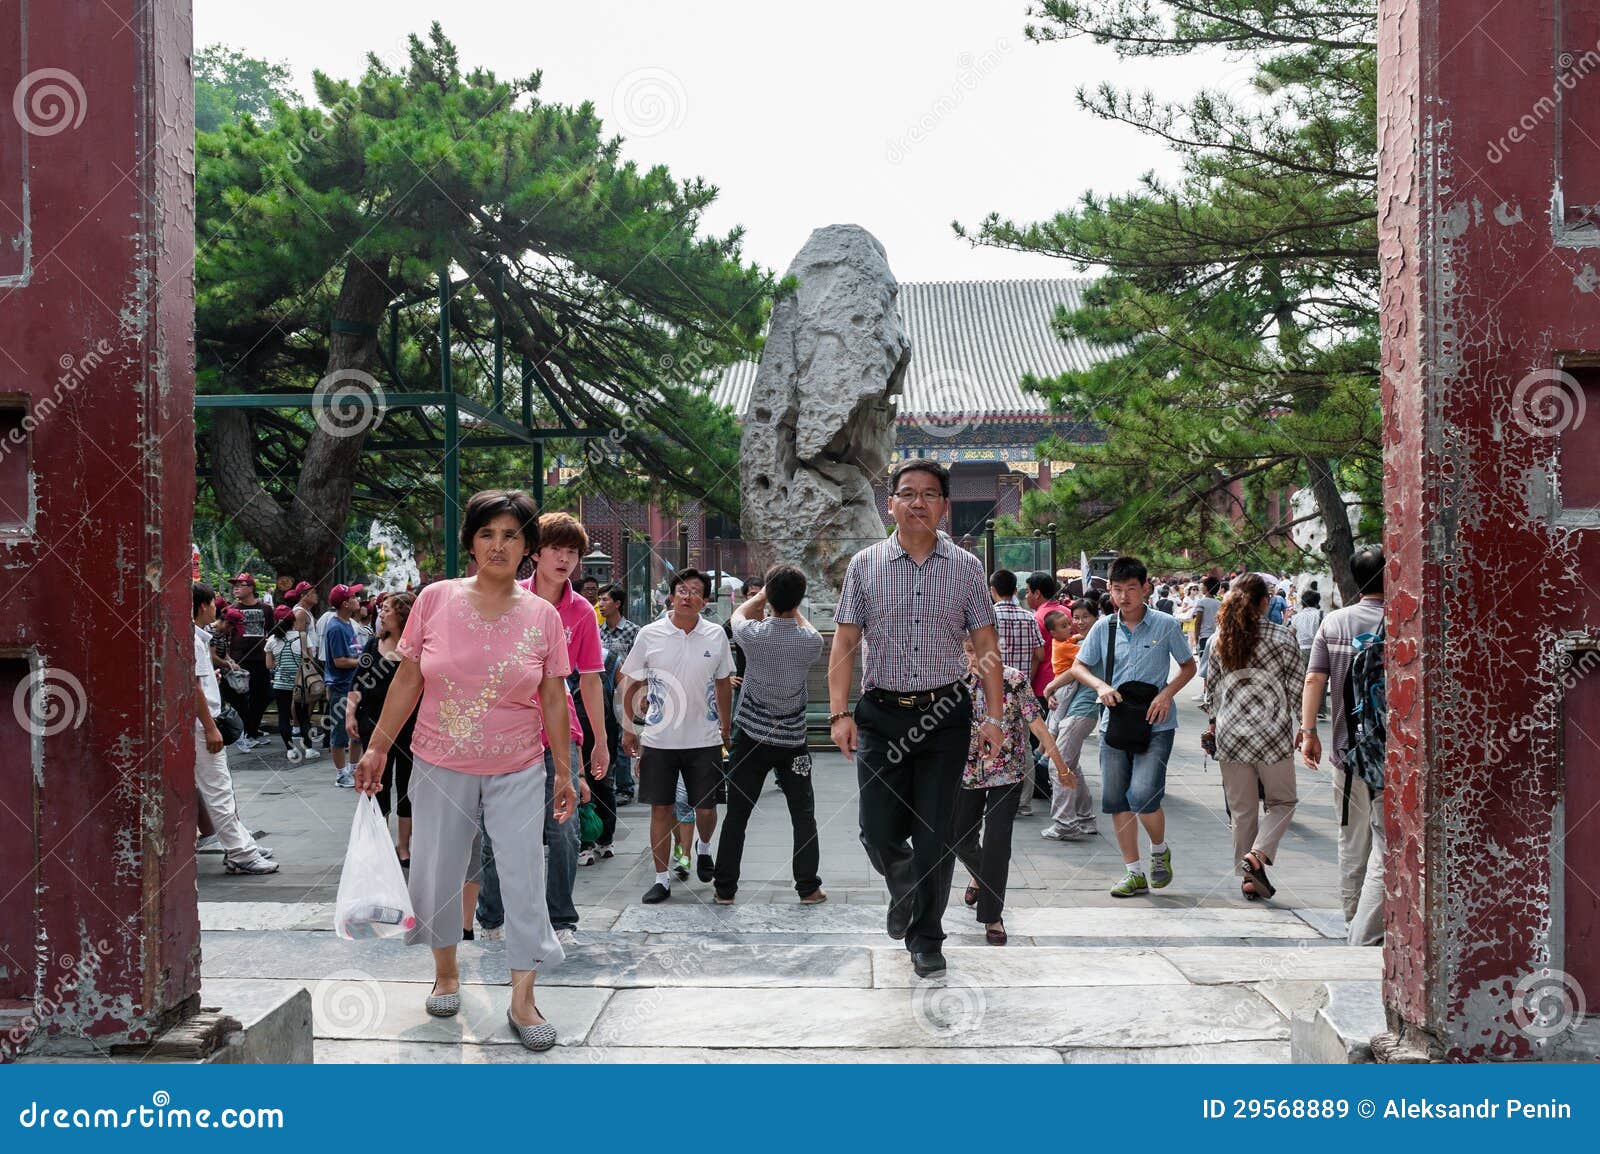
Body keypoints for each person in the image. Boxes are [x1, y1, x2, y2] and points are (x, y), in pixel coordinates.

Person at [354, 489, 574, 1051]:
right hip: (438, 761)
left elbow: (554, 696)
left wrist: (564, 771)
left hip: (518, 766)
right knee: (437, 870)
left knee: (525, 878)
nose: (498, 545)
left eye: (511, 535)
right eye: (487, 534)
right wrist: (378, 747)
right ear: (471, 542)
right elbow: (408, 679)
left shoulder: (543, 615)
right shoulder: (434, 600)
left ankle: (523, 999)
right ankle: (446, 971)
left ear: (527, 546)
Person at [829, 459, 1006, 978]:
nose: (918, 502)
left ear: (944, 506)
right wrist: (839, 713)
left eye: (929, 494)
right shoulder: (865, 565)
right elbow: (844, 641)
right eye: (907, 493)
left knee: (935, 836)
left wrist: (993, 718)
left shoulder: (966, 568)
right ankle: (905, 883)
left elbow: (986, 645)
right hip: (881, 715)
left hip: (945, 716)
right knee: (876, 830)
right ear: (891, 504)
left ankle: (927, 937)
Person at [477, 513, 607, 946]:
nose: (565, 559)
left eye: (572, 552)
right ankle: (492, 916)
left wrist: (599, 742)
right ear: (534, 552)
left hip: (558, 729)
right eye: (556, 549)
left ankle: (562, 919)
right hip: (504, 728)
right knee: (498, 828)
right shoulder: (506, 597)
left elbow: (589, 679)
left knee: (564, 831)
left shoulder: (583, 611)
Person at [1068, 555, 1198, 898]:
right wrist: (1100, 686)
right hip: (1115, 721)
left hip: (1156, 722)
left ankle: (1159, 851)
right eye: (1116, 589)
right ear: (1109, 590)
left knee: (1142, 795)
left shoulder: (1166, 625)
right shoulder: (1104, 627)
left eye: (1130, 589)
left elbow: (1188, 667)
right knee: (1115, 799)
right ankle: (1133, 872)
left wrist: (1167, 694)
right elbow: (1079, 666)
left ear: (1145, 589)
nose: (1123, 596)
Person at [713, 565, 826, 905]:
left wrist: (761, 596)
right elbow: (804, 626)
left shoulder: (753, 635)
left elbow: (737, 615)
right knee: (803, 814)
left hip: (750, 735)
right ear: (800, 599)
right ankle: (808, 887)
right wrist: (790, 607)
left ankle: (725, 888)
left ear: (769, 596)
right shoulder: (812, 642)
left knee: (738, 814)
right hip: (793, 739)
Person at [619, 568, 734, 903]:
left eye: (695, 591)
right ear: (671, 595)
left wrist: (726, 726)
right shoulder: (650, 634)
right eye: (681, 590)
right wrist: (629, 726)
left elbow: (724, 681)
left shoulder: (715, 635)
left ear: (705, 600)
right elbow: (631, 682)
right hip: (659, 739)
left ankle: (704, 847)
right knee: (661, 809)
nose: (687, 596)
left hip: (705, 738)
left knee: (707, 807)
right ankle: (661, 878)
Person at [955, 637, 1074, 945]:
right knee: (958, 837)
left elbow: (1037, 724)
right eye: (967, 651)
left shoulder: (1013, 679)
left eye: (978, 651)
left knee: (997, 841)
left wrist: (1061, 766)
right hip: (965, 773)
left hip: (1007, 773)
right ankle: (983, 878)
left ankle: (992, 916)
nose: (972, 658)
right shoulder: (953, 683)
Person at [1300, 545, 1387, 946]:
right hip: (1392, 757)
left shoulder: (1334, 622)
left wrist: (1308, 732)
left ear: (1354, 579)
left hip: (1346, 751)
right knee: (1387, 845)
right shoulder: (1402, 618)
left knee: (1352, 841)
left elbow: (1315, 679)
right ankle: (1366, 932)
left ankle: (1354, 922)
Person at [1199, 574, 1302, 901]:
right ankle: (1256, 856)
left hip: (1231, 734)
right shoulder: (1283, 638)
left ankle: (1248, 878)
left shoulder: (1219, 639)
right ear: (1263, 602)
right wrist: (1306, 727)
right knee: (1282, 802)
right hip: (1272, 735)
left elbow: (1211, 690)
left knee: (1242, 810)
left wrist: (1213, 725)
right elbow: (1298, 688)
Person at [193, 583, 278, 875]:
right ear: (203, 606)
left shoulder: (197, 638)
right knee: (219, 789)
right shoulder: (193, 640)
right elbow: (193, 689)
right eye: (212, 603)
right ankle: (241, 852)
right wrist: (209, 727)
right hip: (203, 726)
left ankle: (239, 844)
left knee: (216, 788)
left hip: (203, 724)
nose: (216, 607)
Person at [347, 592, 419, 868]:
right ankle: (378, 843)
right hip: (373, 726)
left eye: (387, 610)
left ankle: (404, 846)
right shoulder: (372, 645)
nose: (381, 614)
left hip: (409, 727)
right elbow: (356, 684)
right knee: (378, 783)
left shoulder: (415, 648)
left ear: (401, 615)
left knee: (407, 787)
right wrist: (349, 715)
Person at [1039, 600, 1101, 841]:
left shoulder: (1092, 643)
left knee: (1059, 765)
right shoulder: (1081, 642)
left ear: (1096, 618)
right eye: (1075, 617)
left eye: (1085, 616)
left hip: (1082, 710)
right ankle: (1085, 819)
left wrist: (1051, 686)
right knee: (1070, 765)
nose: (1078, 622)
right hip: (1076, 710)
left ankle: (1065, 823)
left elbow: (1075, 670)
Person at [597, 583, 638, 804]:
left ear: (618, 603)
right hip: (602, 692)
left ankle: (625, 787)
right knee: (606, 737)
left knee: (625, 737)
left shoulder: (633, 631)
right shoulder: (596, 631)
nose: (600, 604)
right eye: (600, 600)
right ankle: (606, 782)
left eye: (605, 600)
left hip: (625, 691)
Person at [320, 583, 363, 788]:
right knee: (339, 732)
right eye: (354, 596)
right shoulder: (336, 627)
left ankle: (354, 769)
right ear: (346, 603)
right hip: (341, 686)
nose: (358, 599)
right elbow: (339, 661)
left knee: (356, 731)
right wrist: (363, 661)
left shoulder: (347, 624)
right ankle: (340, 773)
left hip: (353, 685)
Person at [265, 606, 315, 764]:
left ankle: (290, 749)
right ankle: (308, 749)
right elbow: (309, 660)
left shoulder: (272, 640)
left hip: (280, 683)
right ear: (293, 620)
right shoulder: (303, 637)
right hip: (300, 683)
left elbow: (269, 666)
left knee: (284, 716)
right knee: (303, 715)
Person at [228, 574, 273, 744]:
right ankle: (247, 731)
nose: (236, 588)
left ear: (252, 587)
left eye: (241, 584)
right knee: (240, 697)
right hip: (239, 661)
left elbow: (271, 632)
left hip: (261, 659)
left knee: (263, 695)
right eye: (235, 585)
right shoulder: (231, 609)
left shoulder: (266, 609)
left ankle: (252, 730)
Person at [1291, 587, 1327, 720]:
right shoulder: (1322, 615)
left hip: (1301, 650)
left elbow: (1291, 635)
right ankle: (1320, 709)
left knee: (1303, 680)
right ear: (1317, 601)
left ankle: (1304, 709)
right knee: (1321, 680)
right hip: (1319, 650)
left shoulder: (1296, 617)